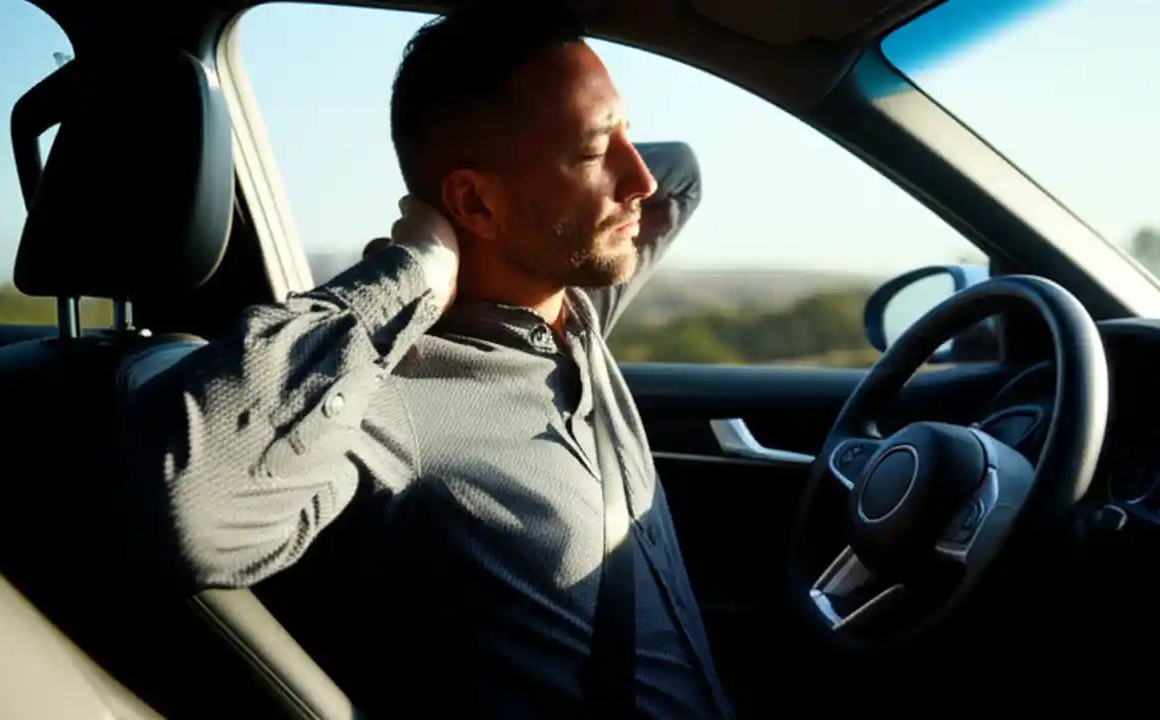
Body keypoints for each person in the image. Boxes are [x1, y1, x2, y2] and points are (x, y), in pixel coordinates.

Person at [116, 1, 733, 717]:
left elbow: (678, 172)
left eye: (626, 135)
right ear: (474, 202)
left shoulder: (576, 308)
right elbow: (187, 508)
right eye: (599, 154)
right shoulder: (383, 399)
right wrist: (412, 268)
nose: (641, 182)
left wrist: (583, 147)